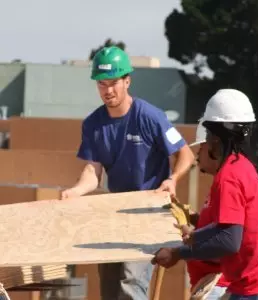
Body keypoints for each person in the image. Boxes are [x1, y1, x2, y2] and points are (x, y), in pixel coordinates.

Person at [61, 46, 195, 300]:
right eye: (102, 84)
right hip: (115, 212)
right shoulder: (93, 124)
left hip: (148, 213)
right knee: (110, 289)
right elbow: (93, 170)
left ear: (127, 81)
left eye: (113, 83)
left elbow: (185, 154)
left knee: (131, 283)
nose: (108, 90)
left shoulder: (150, 117)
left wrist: (172, 179)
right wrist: (76, 191)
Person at [152, 89, 258, 300]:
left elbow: (229, 241)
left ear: (217, 138)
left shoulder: (230, 174)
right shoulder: (247, 168)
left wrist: (182, 249)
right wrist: (196, 226)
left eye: (209, 133)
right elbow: (233, 229)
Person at [182, 121, 230, 299]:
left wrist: (188, 241)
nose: (197, 155)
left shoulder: (227, 186)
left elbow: (225, 242)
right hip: (208, 284)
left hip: (217, 286)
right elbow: (216, 225)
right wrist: (192, 217)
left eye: (200, 148)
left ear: (213, 150)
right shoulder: (217, 186)